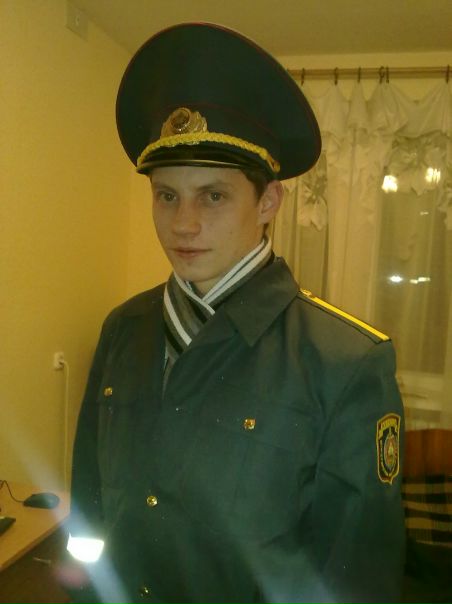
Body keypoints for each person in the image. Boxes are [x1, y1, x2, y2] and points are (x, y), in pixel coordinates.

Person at [67, 22, 405, 604]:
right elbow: (90, 513)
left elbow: (355, 578)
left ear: (268, 200)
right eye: (167, 195)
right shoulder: (123, 329)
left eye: (214, 195)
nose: (183, 224)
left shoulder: (344, 363)